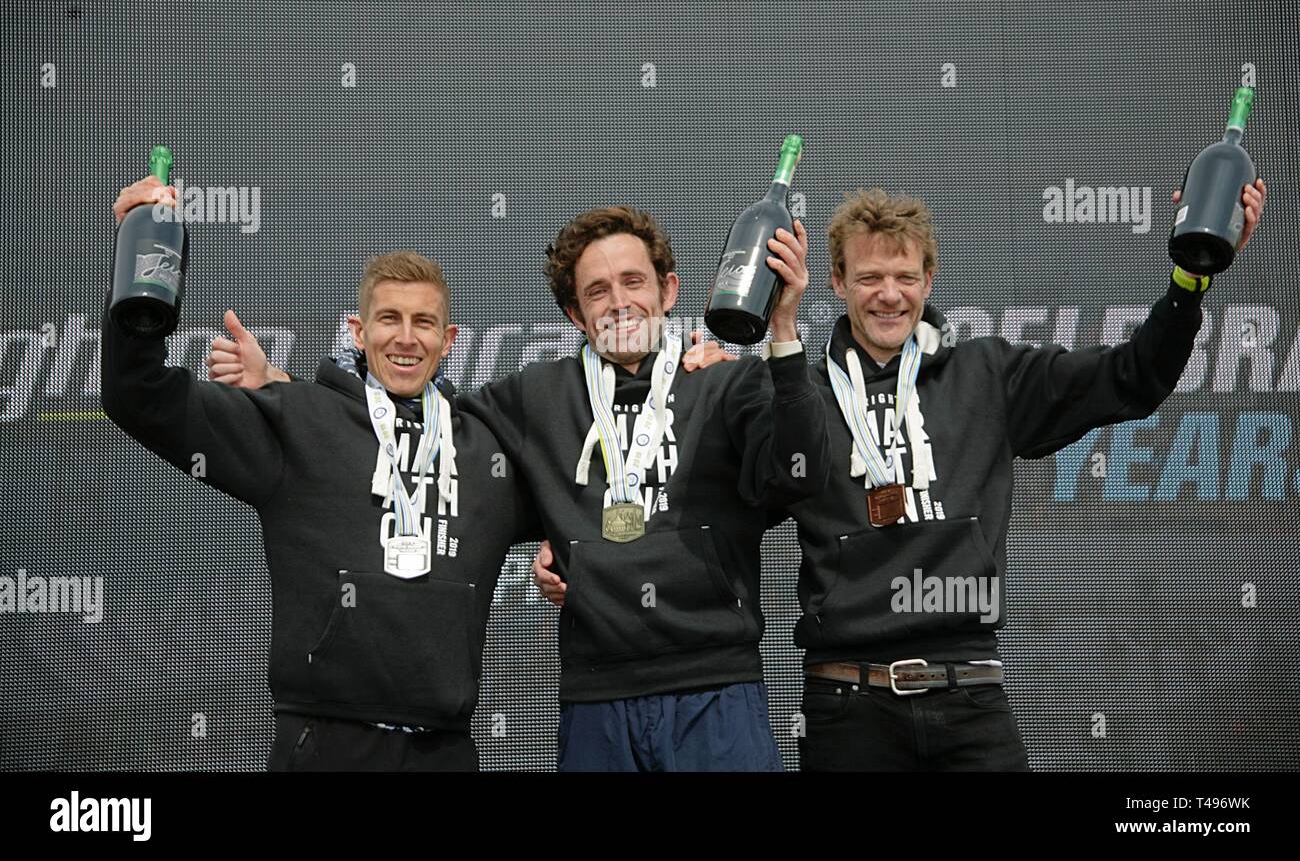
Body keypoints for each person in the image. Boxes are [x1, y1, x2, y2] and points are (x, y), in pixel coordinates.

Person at [535, 179, 1269, 771]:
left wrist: (1190, 279)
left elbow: (1132, 379)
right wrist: (578, 551)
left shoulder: (990, 373)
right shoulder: (792, 392)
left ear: (929, 278)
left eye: (903, 276)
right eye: (869, 277)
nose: (888, 294)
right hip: (847, 708)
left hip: (972, 699)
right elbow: (696, 507)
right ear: (837, 282)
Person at [210, 205, 831, 771]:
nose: (618, 303)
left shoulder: (724, 384)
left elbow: (801, 472)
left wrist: (782, 332)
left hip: (716, 688)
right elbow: (414, 422)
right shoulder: (534, 397)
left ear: (668, 291)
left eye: (633, 282)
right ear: (573, 313)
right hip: (598, 699)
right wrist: (288, 386)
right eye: (597, 290)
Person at [104, 176, 537, 771]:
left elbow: (589, 499)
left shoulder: (487, 445)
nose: (406, 338)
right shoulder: (297, 421)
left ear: (449, 339)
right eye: (388, 319)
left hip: (445, 752)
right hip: (324, 745)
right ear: (357, 333)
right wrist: (141, 266)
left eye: (424, 322)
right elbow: (139, 395)